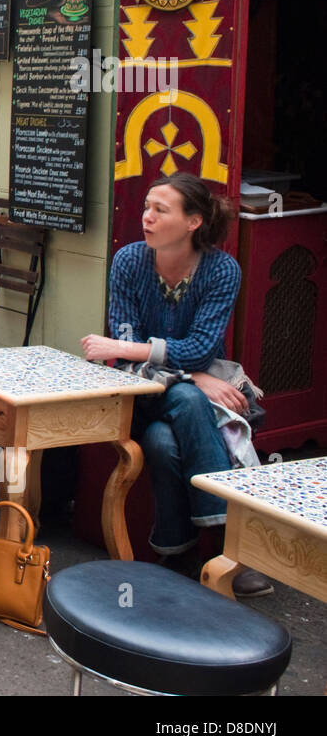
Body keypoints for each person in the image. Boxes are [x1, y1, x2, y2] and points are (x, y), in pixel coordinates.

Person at [81, 173, 272, 596]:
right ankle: (228, 548)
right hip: (137, 394)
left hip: (178, 404)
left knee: (165, 442)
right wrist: (191, 374)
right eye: (147, 207)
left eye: (160, 210)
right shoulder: (129, 261)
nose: (146, 217)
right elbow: (127, 347)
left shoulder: (222, 270)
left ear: (193, 222)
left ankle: (176, 549)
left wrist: (185, 368)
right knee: (187, 395)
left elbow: (199, 347)